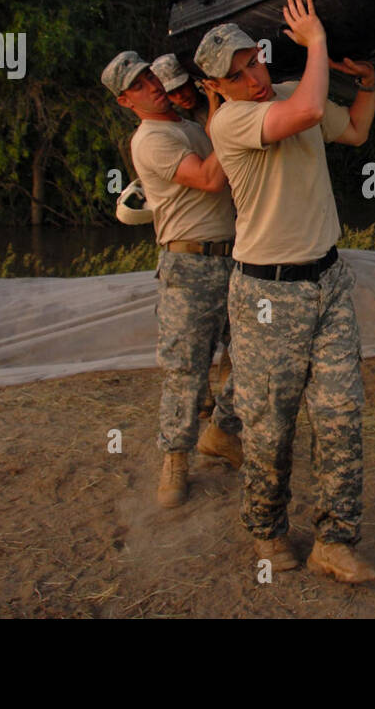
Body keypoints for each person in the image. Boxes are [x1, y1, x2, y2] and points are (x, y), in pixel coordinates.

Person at [195, 0, 375, 584]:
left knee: (341, 413)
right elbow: (303, 115)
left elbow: (351, 130)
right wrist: (318, 41)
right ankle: (268, 531)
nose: (254, 76)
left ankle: (336, 539)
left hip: (327, 282)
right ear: (216, 86)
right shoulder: (233, 121)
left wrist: (370, 85)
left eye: (256, 62)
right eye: (238, 73)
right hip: (266, 297)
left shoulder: (286, 94)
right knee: (270, 424)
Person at [101, 52, 243, 509]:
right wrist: (225, 119)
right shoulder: (150, 140)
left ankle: (222, 431)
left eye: (149, 77)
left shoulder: (189, 127)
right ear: (126, 101)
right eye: (139, 85)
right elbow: (207, 178)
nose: (151, 85)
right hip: (190, 266)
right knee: (186, 371)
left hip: (232, 256)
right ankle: (175, 461)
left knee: (253, 354)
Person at [150, 53, 205, 122]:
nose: (179, 96)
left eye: (181, 88)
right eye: (171, 93)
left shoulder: (213, 95)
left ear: (190, 80)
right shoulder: (173, 119)